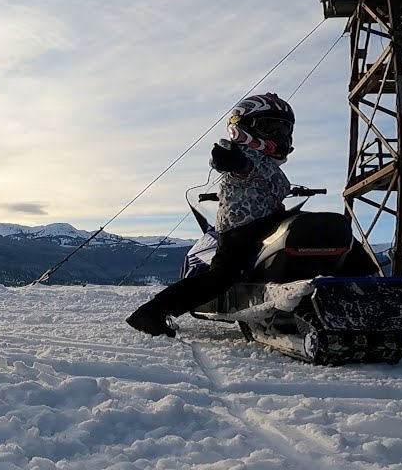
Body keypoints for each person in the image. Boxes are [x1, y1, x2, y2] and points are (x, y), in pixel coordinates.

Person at [126, 93, 295, 337]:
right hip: (241, 227)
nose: (278, 136)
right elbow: (225, 160)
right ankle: (150, 313)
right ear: (242, 126)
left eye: (282, 129)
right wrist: (238, 165)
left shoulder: (269, 163)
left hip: (269, 222)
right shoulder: (241, 155)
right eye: (269, 127)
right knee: (221, 277)